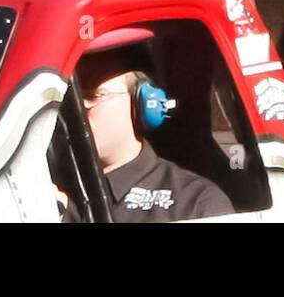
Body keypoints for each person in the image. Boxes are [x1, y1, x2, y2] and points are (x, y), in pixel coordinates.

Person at [69, 54, 233, 222]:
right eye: (69, 99)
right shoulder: (48, 190)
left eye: (92, 96)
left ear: (143, 103)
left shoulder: (195, 204)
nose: (77, 110)